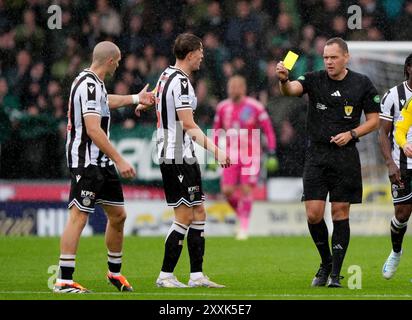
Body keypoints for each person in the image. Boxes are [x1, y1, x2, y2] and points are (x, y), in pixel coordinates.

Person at [275, 37, 380, 288]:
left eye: (333, 57)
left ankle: (335, 273)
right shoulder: (313, 78)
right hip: (317, 155)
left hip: (345, 156)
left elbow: (374, 120)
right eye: (326, 57)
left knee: (340, 212)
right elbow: (290, 91)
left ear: (346, 57)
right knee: (313, 215)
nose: (329, 62)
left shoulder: (362, 83)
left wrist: (352, 133)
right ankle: (326, 261)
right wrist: (282, 79)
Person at [53, 41, 154, 293]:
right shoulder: (88, 84)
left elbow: (105, 101)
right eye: (118, 61)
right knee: (79, 216)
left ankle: (114, 273)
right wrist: (120, 159)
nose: (119, 65)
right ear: (110, 61)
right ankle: (64, 280)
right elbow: (93, 129)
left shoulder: (93, 83)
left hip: (101, 161)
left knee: (118, 215)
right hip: (86, 161)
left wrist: (135, 98)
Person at [147, 33, 230, 288]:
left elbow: (156, 99)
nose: (203, 55)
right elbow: (189, 124)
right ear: (191, 53)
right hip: (175, 154)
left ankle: (196, 275)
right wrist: (216, 150)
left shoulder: (165, 75)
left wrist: (144, 105)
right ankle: (165, 275)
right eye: (201, 51)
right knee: (184, 215)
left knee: (198, 211)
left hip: (182, 153)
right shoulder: (181, 82)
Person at [212, 75, 277, 240]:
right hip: (230, 154)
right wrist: (213, 152)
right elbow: (216, 130)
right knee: (227, 191)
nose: (233, 90)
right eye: (230, 87)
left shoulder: (255, 107)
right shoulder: (222, 107)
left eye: (236, 87)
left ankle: (244, 228)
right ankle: (242, 217)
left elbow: (268, 130)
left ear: (243, 88)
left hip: (251, 154)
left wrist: (271, 152)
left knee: (247, 189)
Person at [381, 53, 412, 279]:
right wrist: (391, 164)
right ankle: (396, 251)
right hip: (403, 166)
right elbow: (383, 134)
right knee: (402, 214)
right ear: (409, 68)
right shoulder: (393, 95)